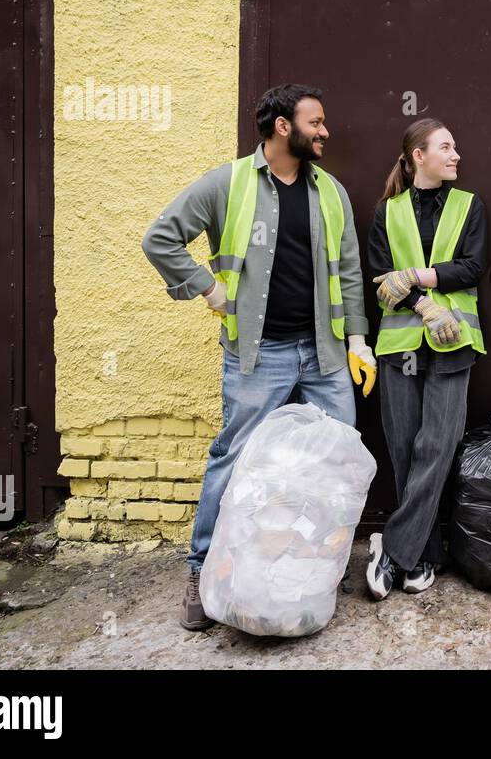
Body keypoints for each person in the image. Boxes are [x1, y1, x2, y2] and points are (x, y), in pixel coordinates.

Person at [141, 83, 376, 630]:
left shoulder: (330, 192)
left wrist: (358, 339)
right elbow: (161, 238)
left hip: (324, 354)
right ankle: (202, 573)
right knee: (234, 455)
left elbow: (348, 272)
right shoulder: (229, 184)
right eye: (315, 122)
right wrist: (208, 290)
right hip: (259, 353)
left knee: (333, 461)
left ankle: (318, 570)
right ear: (282, 127)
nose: (325, 131)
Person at [365, 118, 486, 600]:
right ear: (419, 156)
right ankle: (422, 555)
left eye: (455, 147)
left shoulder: (470, 207)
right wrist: (423, 304)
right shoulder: (387, 212)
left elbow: (474, 266)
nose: (456, 155)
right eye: (446, 147)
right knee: (403, 449)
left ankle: (392, 549)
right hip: (399, 347)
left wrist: (414, 276)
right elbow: (379, 276)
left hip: (454, 342)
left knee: (437, 447)